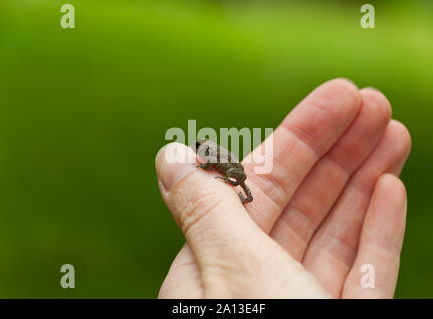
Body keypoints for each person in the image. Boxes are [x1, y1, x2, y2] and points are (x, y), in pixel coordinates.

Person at [155, 79, 411, 298]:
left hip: (235, 171)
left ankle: (233, 183)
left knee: (232, 176)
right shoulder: (211, 153)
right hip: (235, 170)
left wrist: (225, 180)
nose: (198, 146)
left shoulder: (210, 156)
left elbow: (216, 164)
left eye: (200, 144)